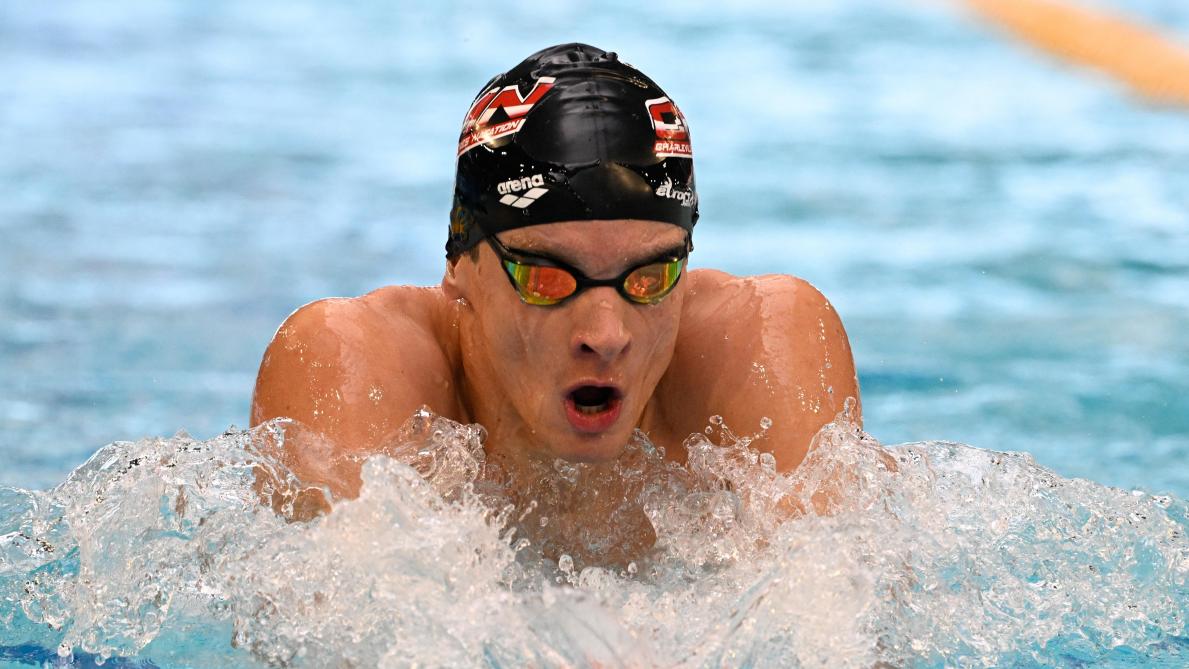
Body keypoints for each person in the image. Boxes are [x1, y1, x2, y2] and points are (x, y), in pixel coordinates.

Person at [249, 43, 861, 525]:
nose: (606, 334)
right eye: (546, 278)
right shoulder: (354, 361)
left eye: (648, 277)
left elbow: (838, 640)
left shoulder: (759, 345)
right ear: (460, 263)